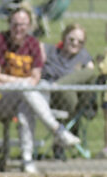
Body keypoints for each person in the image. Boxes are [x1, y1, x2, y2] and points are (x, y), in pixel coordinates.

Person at [0, 2, 80, 173]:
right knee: (25, 88)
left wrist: (23, 85)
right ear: (9, 24)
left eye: (22, 25)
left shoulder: (33, 43)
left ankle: (27, 159)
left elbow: (36, 77)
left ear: (29, 26)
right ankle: (57, 129)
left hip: (26, 98)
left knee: (25, 108)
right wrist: (20, 83)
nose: (18, 29)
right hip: (0, 100)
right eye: (14, 24)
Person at [40, 23, 97, 155]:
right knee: (66, 90)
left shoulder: (84, 57)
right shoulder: (51, 51)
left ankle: (60, 85)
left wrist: (59, 84)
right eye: (71, 39)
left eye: (80, 42)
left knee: (88, 74)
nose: (75, 43)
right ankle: (67, 133)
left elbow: (90, 73)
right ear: (64, 37)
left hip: (76, 102)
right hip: (51, 100)